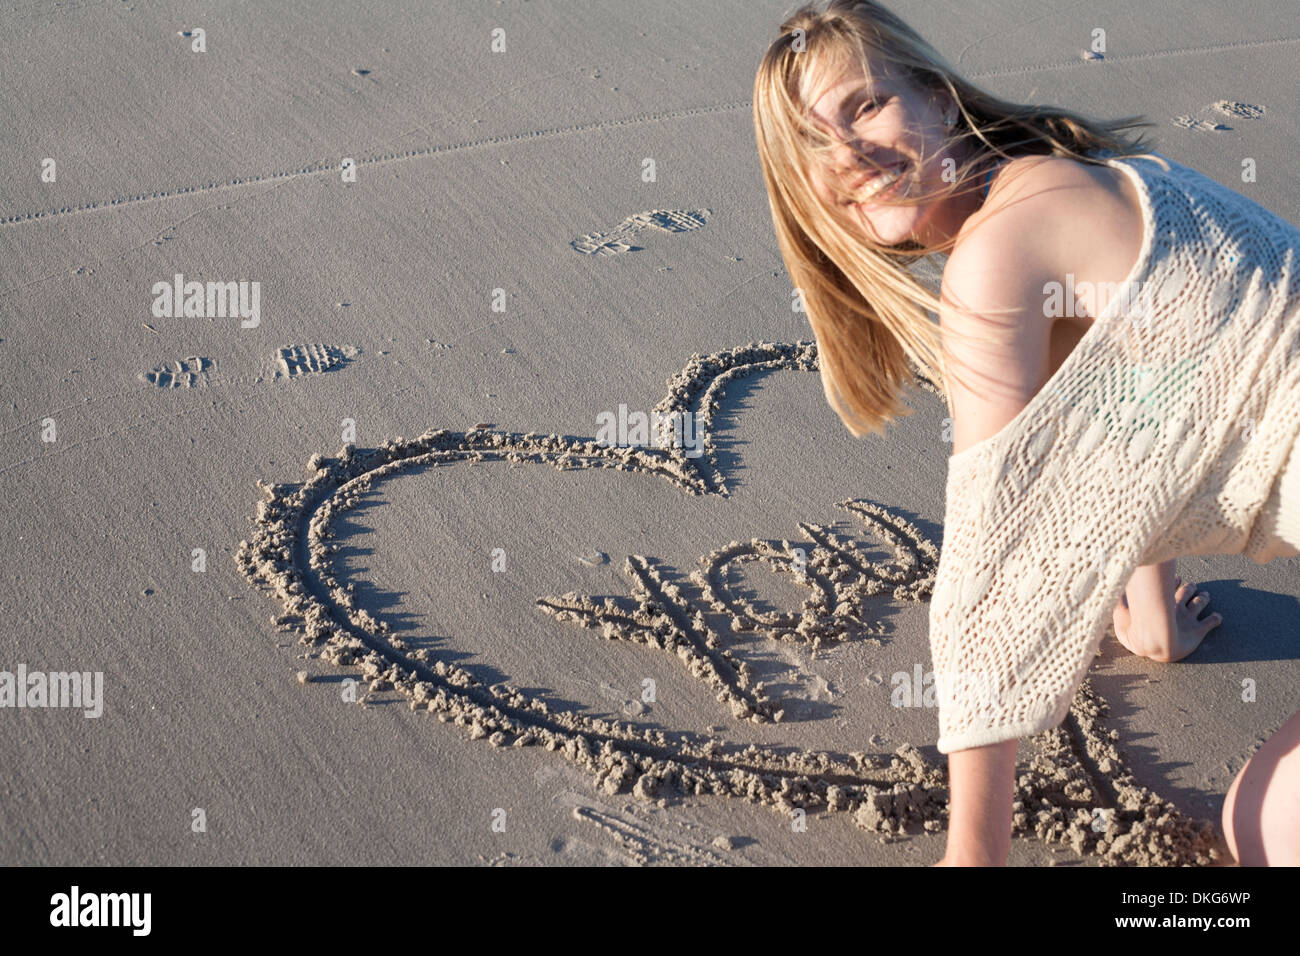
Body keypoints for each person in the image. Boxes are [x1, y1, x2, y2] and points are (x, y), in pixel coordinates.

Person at [752, 0, 1300, 866]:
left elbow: (990, 566)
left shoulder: (1000, 252)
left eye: (864, 106)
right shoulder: (1072, 177)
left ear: (935, 96)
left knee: (1261, 839)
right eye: (815, 146)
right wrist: (1151, 618)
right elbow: (1141, 414)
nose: (850, 156)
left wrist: (973, 855)